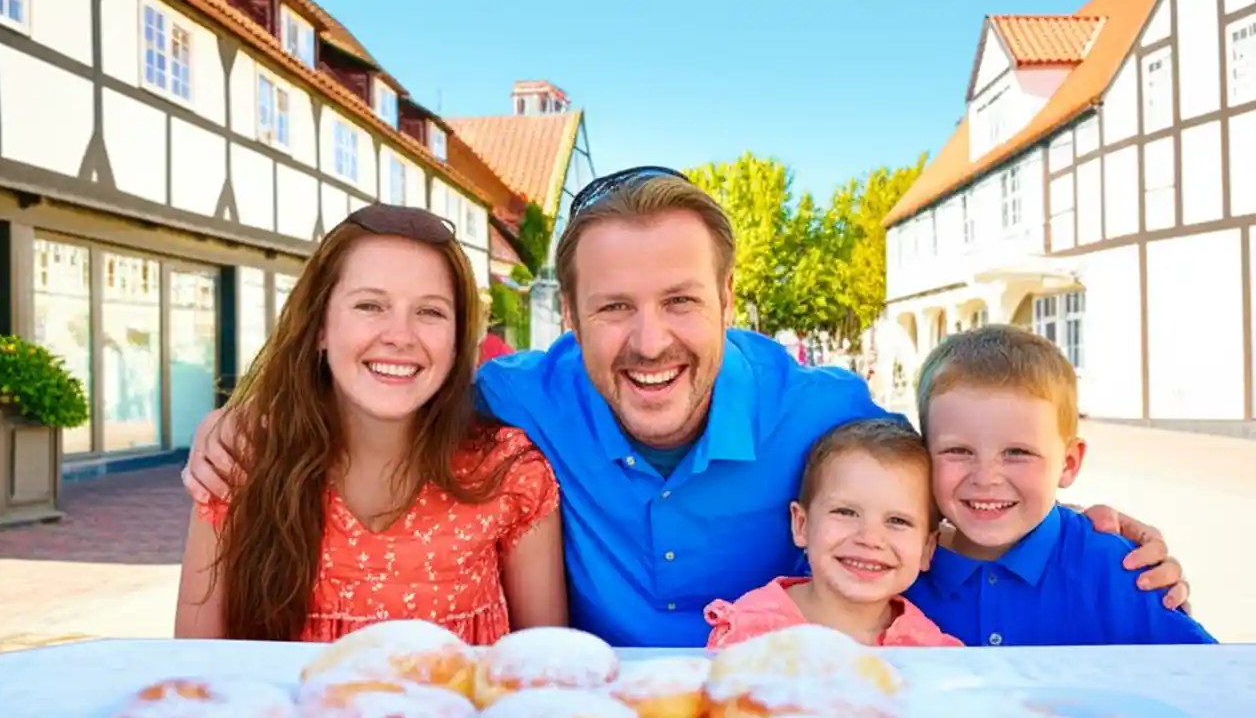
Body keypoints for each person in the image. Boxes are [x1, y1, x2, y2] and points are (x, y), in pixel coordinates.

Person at [181, 166, 1190, 647]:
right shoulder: (510, 399)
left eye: (678, 301)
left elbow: (965, 483)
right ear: (566, 316)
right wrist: (252, 417)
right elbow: (384, 378)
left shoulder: (828, 409)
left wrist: (1092, 534)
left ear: (727, 303)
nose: (650, 340)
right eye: (613, 308)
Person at [175, 205, 566, 644]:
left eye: (430, 312)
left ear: (459, 341)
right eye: (369, 305)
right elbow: (195, 675)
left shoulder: (508, 473)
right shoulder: (238, 463)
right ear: (320, 327)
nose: (400, 335)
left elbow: (547, 672)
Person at [904, 325, 1215, 645]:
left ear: (1068, 463)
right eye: (958, 451)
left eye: (1017, 453)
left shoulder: (1119, 570)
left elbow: (1216, 679)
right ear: (922, 455)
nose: (986, 477)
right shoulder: (894, 568)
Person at [703, 418, 962, 649]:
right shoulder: (746, 636)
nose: (870, 539)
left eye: (897, 520)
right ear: (802, 525)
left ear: (927, 549)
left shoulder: (932, 654)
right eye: (846, 512)